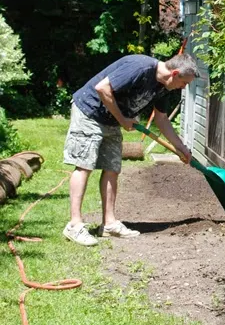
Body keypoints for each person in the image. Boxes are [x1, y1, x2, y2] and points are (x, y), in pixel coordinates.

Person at [62, 52, 198, 246]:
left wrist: (180, 147)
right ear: (174, 73)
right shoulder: (140, 67)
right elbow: (102, 88)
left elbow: (161, 119)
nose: (184, 87)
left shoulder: (163, 88)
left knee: (112, 168)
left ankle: (109, 224)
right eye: (184, 82)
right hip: (89, 112)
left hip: (111, 120)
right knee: (84, 165)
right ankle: (74, 225)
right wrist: (123, 119)